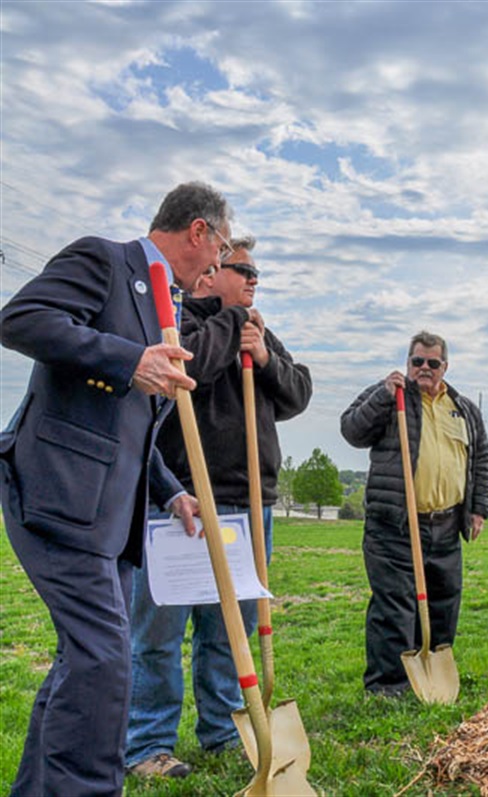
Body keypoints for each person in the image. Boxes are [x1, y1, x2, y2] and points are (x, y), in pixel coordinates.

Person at [0, 182, 231, 796]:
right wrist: (129, 360)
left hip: (109, 518)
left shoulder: (168, 307)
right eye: (222, 247)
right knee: (104, 661)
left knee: (84, 660)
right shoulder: (104, 260)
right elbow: (20, 319)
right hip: (58, 496)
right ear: (198, 230)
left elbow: (131, 431)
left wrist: (169, 491)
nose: (220, 264)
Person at [124, 237, 312, 778]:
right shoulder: (180, 323)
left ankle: (221, 731)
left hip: (248, 503)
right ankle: (147, 744)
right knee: (158, 632)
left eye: (257, 273)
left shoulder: (255, 329)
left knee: (229, 631)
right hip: (181, 502)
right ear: (210, 273)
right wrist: (229, 330)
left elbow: (298, 394)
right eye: (243, 270)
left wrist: (265, 357)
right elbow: (188, 371)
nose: (253, 281)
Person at [340, 331, 488, 696]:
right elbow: (352, 430)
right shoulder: (390, 395)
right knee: (395, 606)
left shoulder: (464, 408)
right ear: (408, 363)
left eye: (432, 363)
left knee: (444, 601)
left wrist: (479, 509)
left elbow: (483, 458)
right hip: (394, 524)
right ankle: (388, 685)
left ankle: (434, 674)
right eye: (417, 361)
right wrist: (381, 394)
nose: (424, 368)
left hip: (445, 524)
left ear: (445, 367)